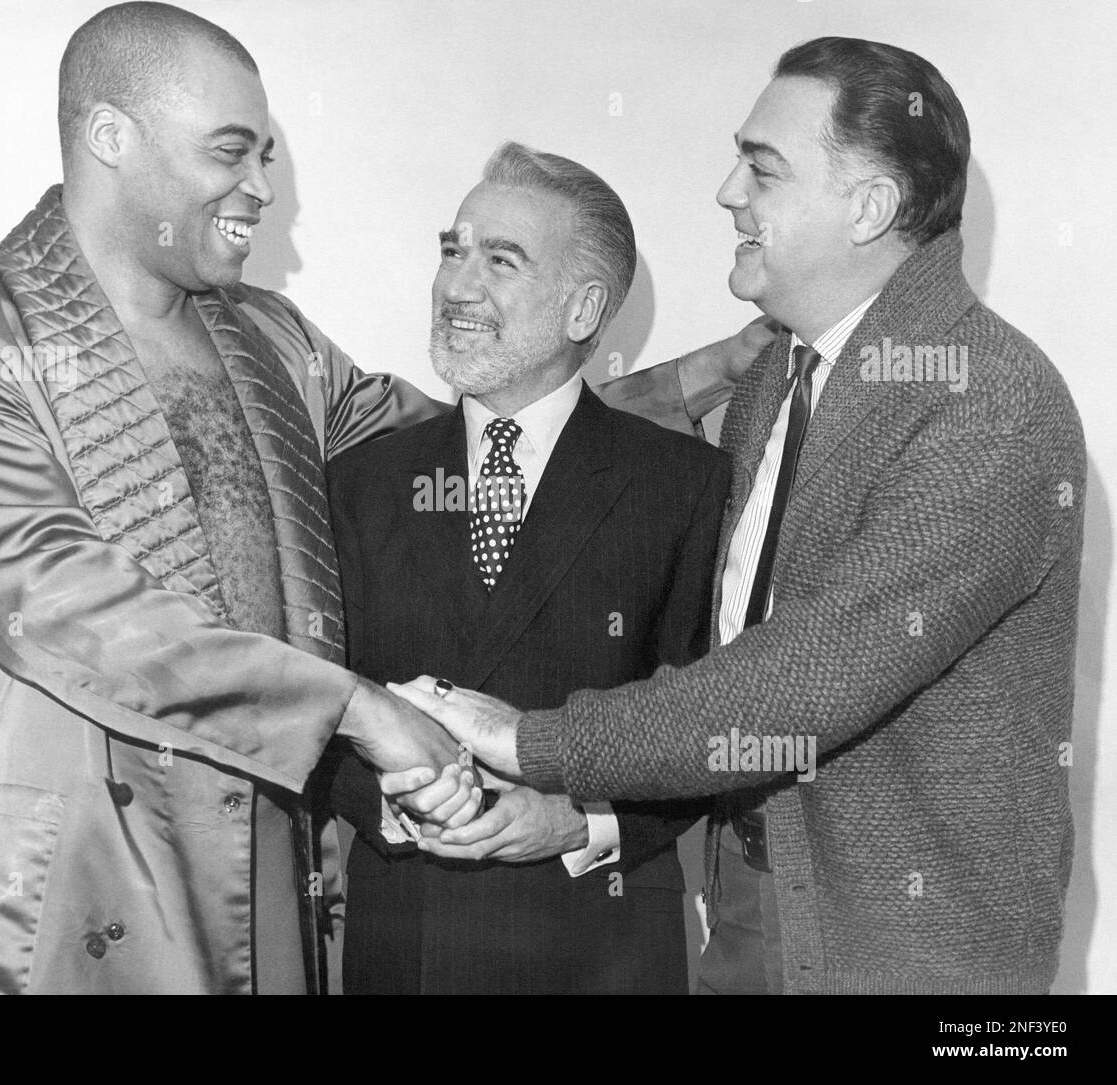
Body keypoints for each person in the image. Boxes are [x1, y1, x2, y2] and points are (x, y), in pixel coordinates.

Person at [392, 37, 1086, 995]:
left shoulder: (988, 398)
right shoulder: (774, 380)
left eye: (762, 167)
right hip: (753, 910)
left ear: (871, 206)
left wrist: (530, 741)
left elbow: (806, 678)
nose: (727, 191)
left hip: (916, 963)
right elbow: (588, 460)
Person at [0, 1, 471, 995]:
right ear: (111, 136)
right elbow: (61, 605)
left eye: (267, 156)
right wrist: (353, 705)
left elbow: (475, 452)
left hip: (278, 872)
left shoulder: (282, 344)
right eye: (230, 152)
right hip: (72, 900)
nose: (263, 190)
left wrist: (761, 360)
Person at [322, 143, 728, 995]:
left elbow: (713, 724)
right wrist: (391, 803)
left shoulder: (684, 483)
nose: (456, 286)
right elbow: (316, 702)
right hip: (406, 951)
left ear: (584, 309)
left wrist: (579, 820)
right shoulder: (358, 481)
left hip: (601, 954)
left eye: (499, 261)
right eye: (452, 250)